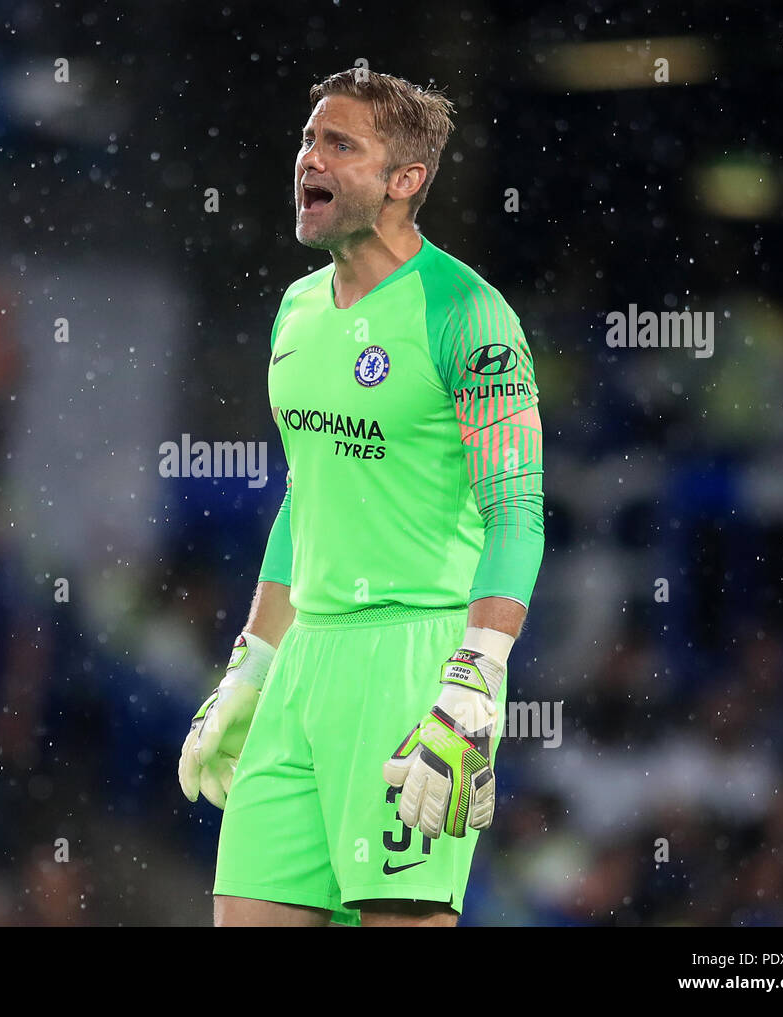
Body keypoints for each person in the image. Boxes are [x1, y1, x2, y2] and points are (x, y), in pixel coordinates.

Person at [179, 68, 545, 927]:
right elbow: (306, 494)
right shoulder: (296, 310)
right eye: (310, 139)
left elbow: (515, 510)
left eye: (340, 143)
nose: (310, 155)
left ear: (404, 180)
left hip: (415, 667)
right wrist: (253, 664)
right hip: (306, 663)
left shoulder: (469, 317)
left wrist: (477, 677)